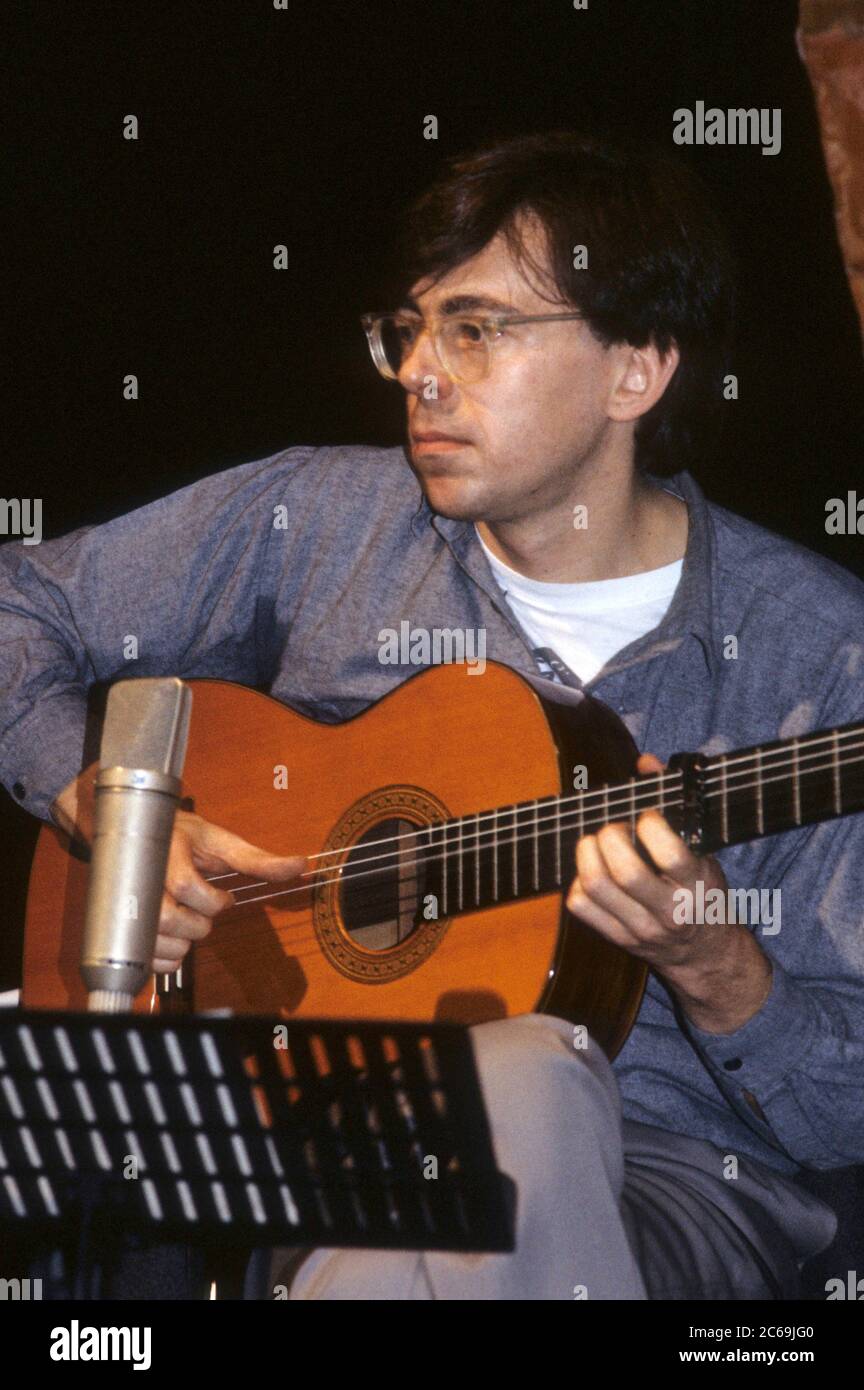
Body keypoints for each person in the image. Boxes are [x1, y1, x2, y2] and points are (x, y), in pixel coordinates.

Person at [2, 130, 862, 1300]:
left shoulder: (823, 652)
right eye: (408, 329)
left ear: (636, 372)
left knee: (513, 1081)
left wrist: (716, 965)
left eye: (477, 328)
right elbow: (19, 604)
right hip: (298, 1139)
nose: (419, 370)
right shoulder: (326, 520)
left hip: (664, 1193)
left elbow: (842, 1112)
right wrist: (104, 804)